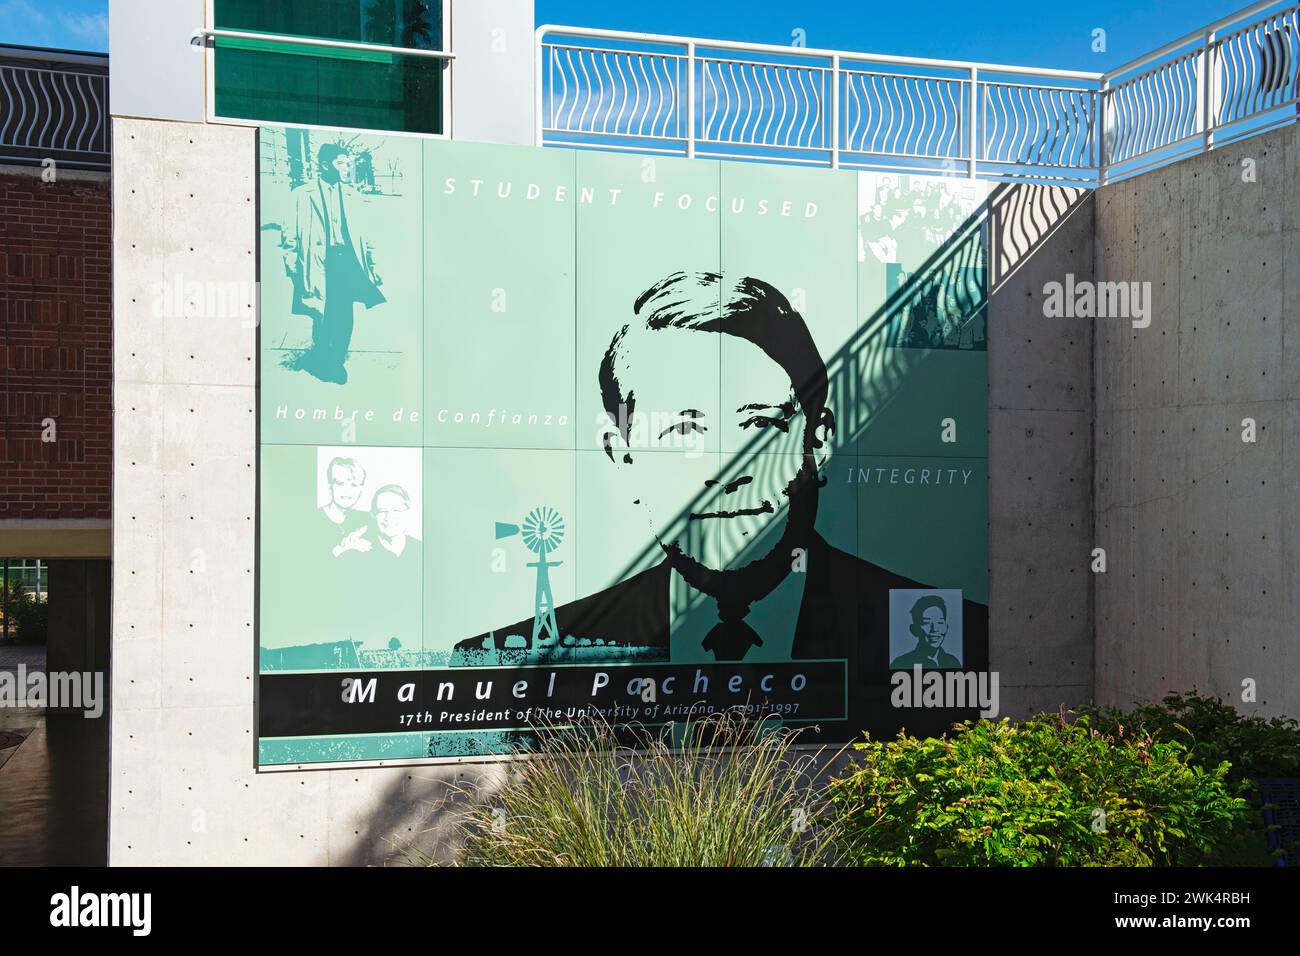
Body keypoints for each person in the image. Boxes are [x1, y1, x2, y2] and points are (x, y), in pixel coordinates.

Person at [454, 272, 987, 729]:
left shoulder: (966, 641)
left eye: (758, 426)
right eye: (684, 430)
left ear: (817, 442)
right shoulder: (515, 662)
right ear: (621, 452)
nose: (723, 473)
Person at [283, 144, 385, 384]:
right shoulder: (302, 194)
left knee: (345, 316)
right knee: (322, 314)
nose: (347, 168)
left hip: (347, 261)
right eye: (342, 163)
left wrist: (372, 266)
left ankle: (335, 362)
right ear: (326, 164)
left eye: (348, 164)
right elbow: (288, 238)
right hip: (320, 261)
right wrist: (294, 270)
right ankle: (323, 360)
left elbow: (364, 236)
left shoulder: (352, 195)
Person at [890, 594, 962, 669]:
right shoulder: (900, 663)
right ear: (914, 630)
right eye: (926, 623)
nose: (934, 629)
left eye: (940, 622)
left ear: (946, 627)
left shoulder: (953, 662)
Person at [320, 457, 371, 559]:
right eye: (340, 483)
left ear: (361, 491)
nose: (347, 490)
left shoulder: (366, 518)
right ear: (330, 487)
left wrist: (360, 531)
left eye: (354, 485)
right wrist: (340, 550)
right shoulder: (310, 519)